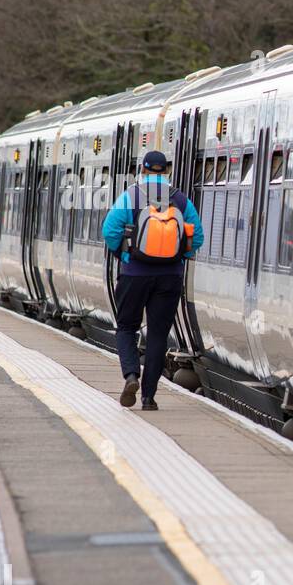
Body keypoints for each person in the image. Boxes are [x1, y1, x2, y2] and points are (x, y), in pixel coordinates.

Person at [102, 150, 203, 410]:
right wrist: (178, 257)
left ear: (143, 170)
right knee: (158, 335)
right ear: (166, 171)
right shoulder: (180, 200)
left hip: (135, 274)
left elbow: (110, 230)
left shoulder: (131, 196)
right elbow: (197, 238)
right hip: (169, 277)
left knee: (126, 327)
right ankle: (148, 397)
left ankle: (131, 375)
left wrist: (125, 255)